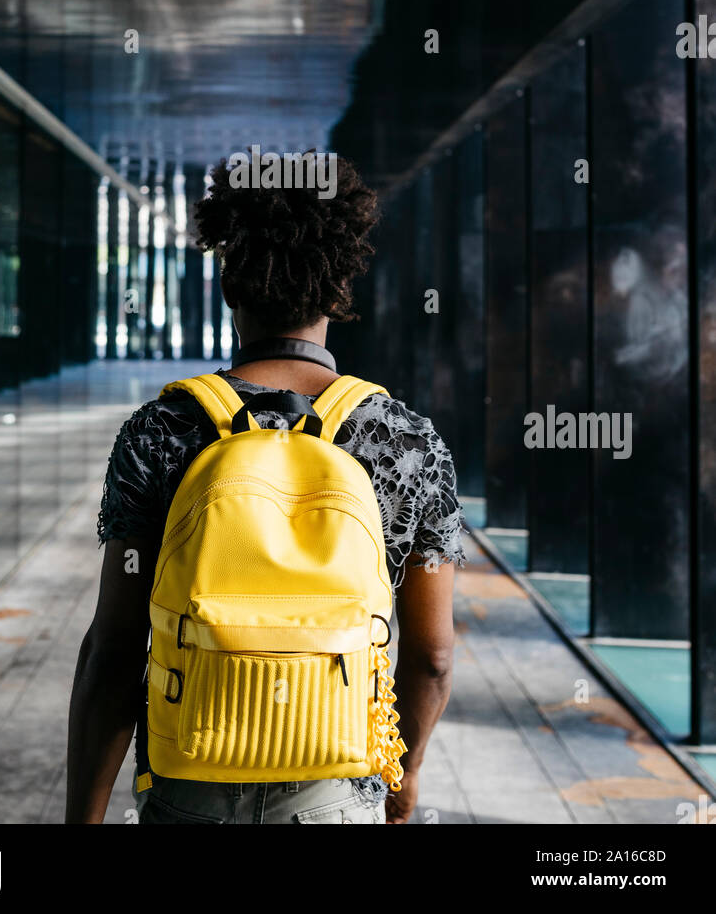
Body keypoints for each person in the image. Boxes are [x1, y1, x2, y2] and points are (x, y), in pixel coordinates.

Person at [66, 154, 465, 825]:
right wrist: (405, 774)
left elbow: (114, 650)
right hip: (336, 793)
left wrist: (84, 816)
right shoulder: (406, 440)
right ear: (341, 284)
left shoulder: (163, 430)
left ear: (228, 282)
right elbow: (433, 655)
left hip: (185, 787)